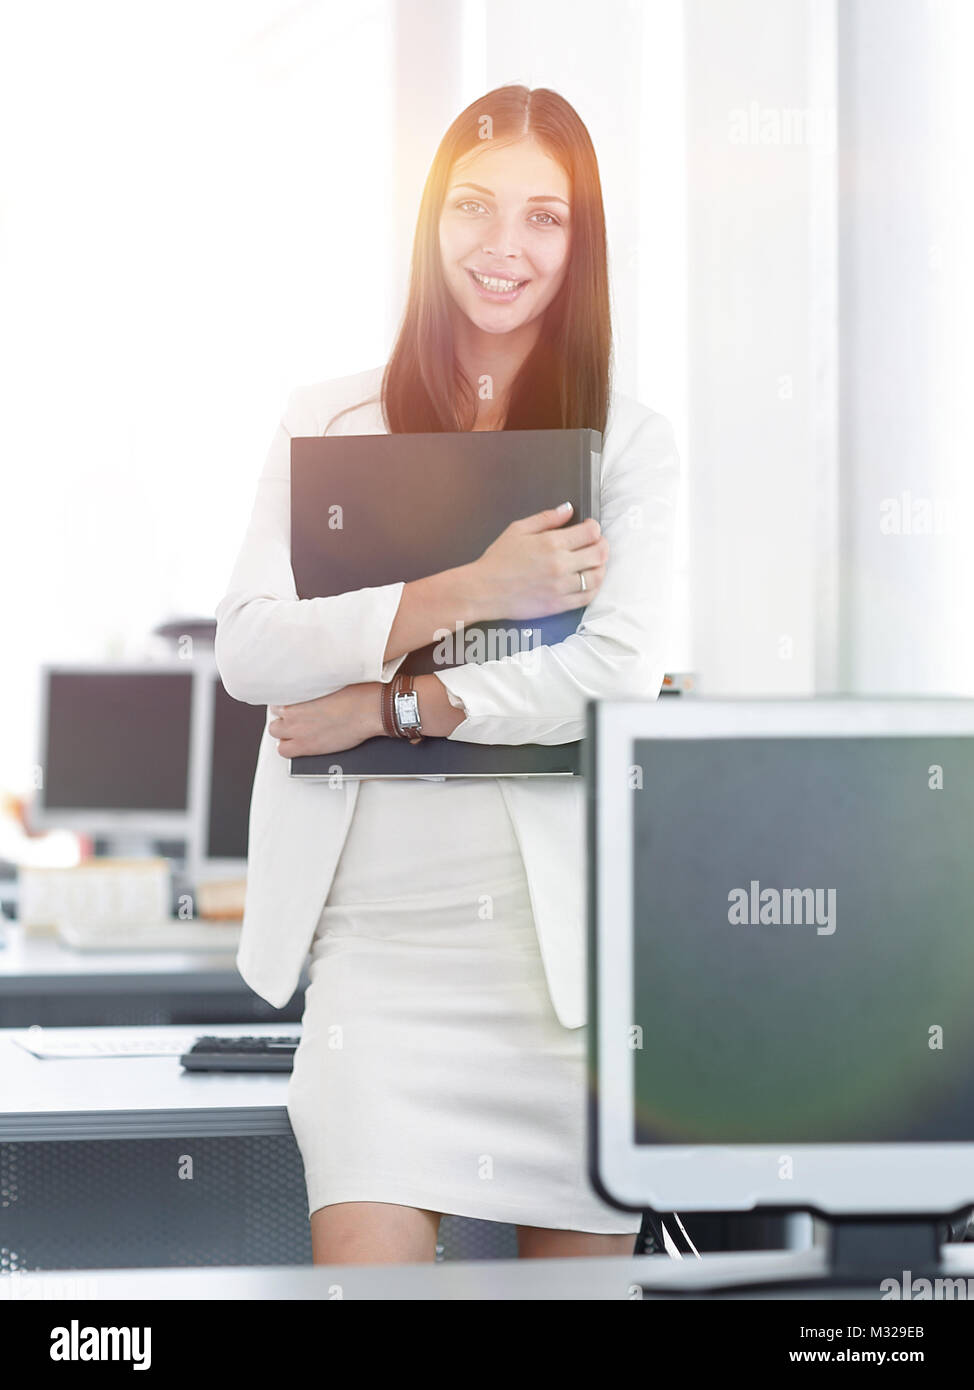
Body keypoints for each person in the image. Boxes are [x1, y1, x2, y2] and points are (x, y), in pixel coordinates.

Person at [214, 84, 680, 1264]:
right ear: (428, 223)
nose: (502, 246)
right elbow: (251, 647)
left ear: (580, 247)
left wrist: (393, 702)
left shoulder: (626, 442)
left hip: (560, 974)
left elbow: (618, 670)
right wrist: (467, 591)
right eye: (473, 207)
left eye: (544, 217)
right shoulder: (327, 419)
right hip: (376, 962)